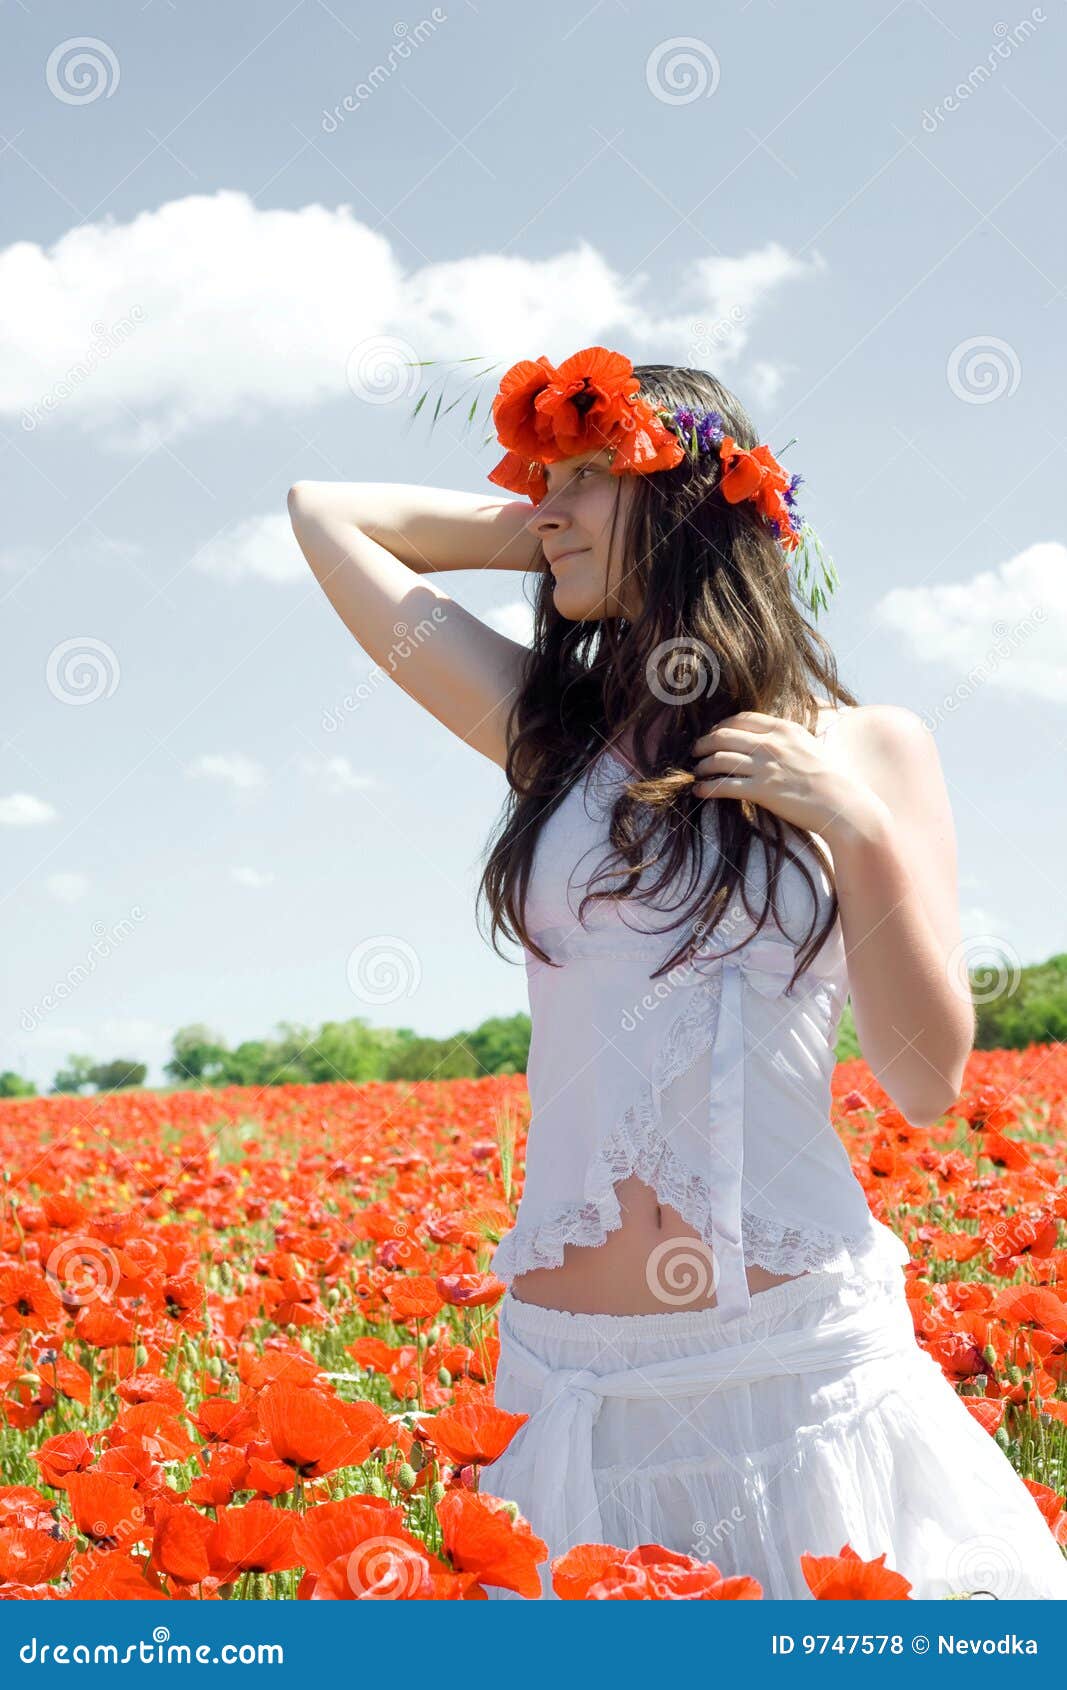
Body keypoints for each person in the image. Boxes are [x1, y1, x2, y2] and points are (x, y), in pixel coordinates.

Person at [287, 345, 1067, 1601]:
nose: (549, 504)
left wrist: (855, 832)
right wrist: (553, 524)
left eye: (588, 474)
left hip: (800, 1378)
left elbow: (925, 1081)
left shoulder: (873, 747)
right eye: (543, 479)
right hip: (569, 1401)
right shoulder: (539, 729)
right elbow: (323, 513)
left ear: (693, 495)